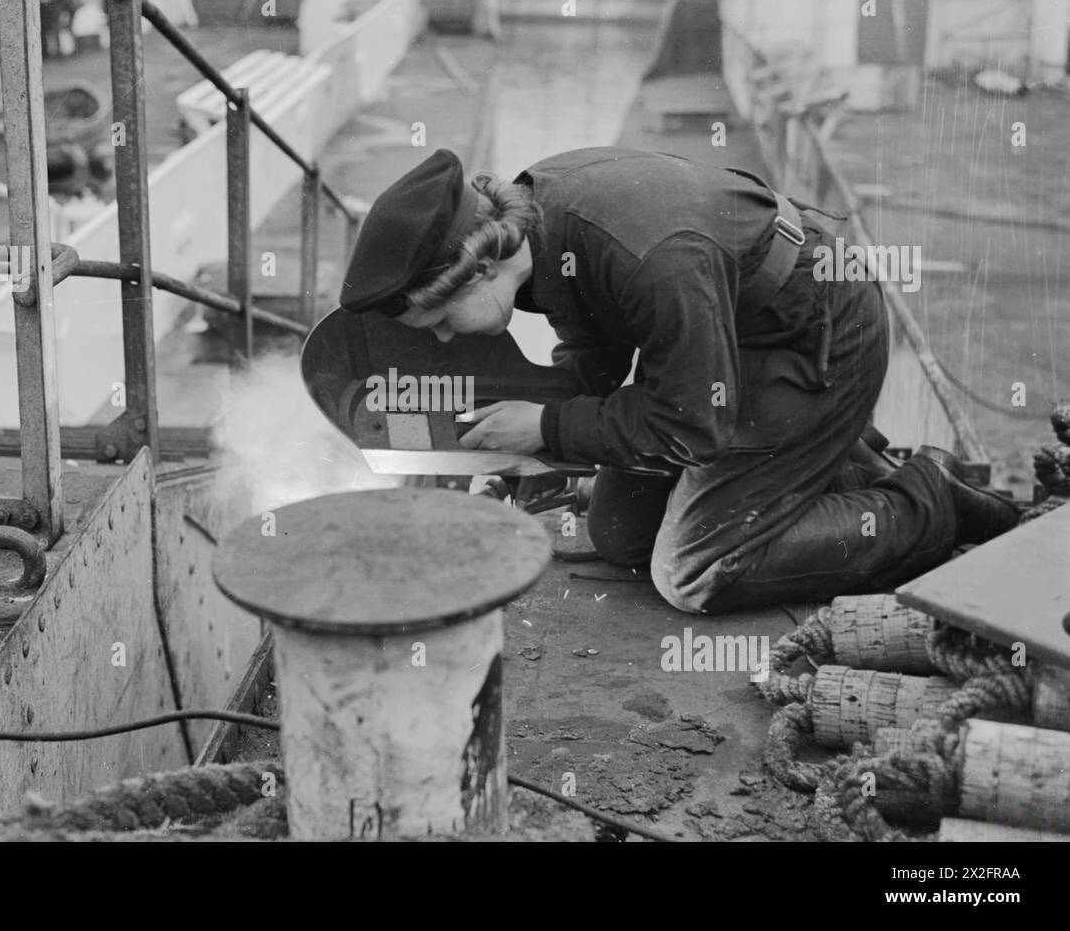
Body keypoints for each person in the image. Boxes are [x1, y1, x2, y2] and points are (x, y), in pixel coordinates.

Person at [335, 147, 1019, 614]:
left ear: (479, 269)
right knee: (621, 535)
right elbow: (595, 340)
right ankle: (837, 465)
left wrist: (547, 424)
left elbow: (692, 422)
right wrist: (541, 446)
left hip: (812, 338)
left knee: (692, 570)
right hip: (724, 344)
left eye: (442, 319)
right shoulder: (537, 214)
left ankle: (927, 500)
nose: (447, 337)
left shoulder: (648, 254)